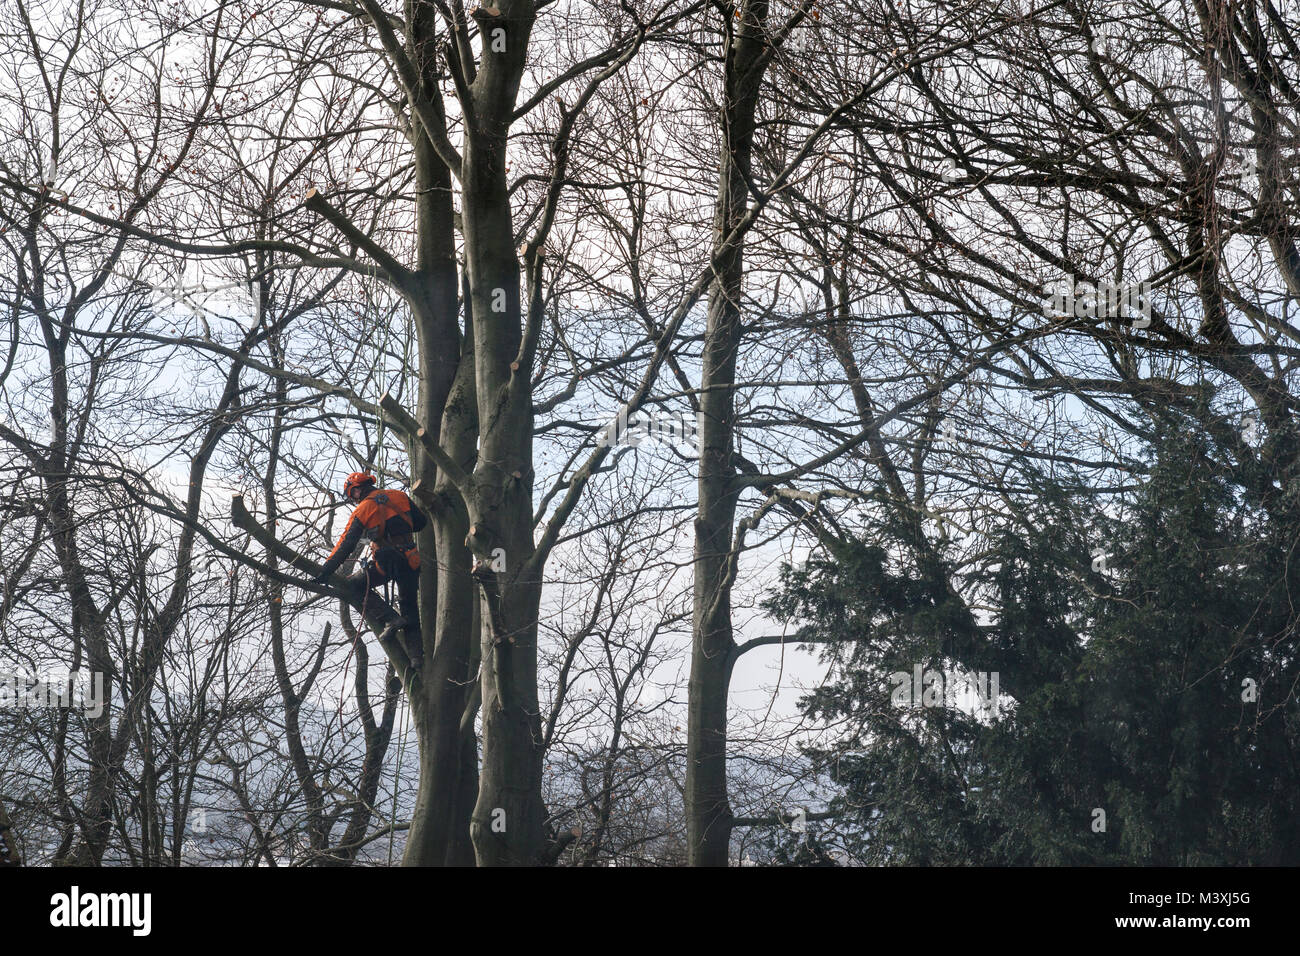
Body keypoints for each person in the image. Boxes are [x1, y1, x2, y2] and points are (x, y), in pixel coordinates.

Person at [312, 472, 427, 641]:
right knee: (409, 609)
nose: (353, 499)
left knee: (352, 585)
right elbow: (420, 523)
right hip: (410, 559)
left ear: (357, 489)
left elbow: (346, 544)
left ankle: (391, 618)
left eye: (352, 495)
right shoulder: (399, 496)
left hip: (386, 562)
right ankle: (416, 660)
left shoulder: (363, 509)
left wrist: (327, 569)